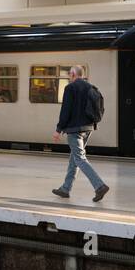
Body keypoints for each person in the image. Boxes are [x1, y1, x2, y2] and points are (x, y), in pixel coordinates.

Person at [51, 65, 109, 202]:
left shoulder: (70, 88)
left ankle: (99, 186)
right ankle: (66, 188)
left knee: (80, 158)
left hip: (74, 130)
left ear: (72, 74)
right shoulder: (91, 88)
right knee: (75, 158)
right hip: (88, 128)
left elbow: (66, 111)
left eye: (69, 74)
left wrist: (58, 129)